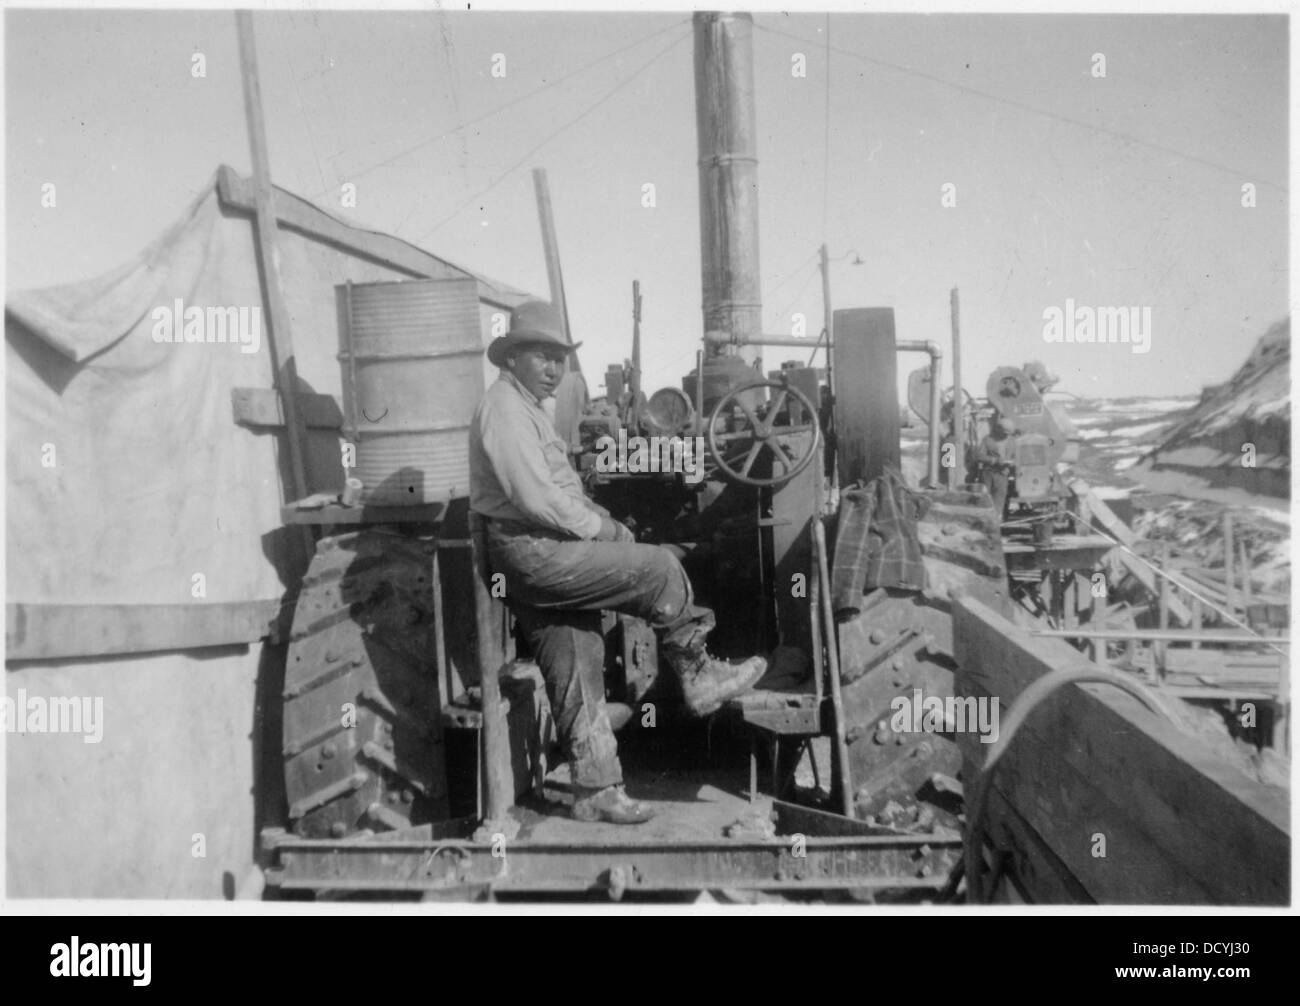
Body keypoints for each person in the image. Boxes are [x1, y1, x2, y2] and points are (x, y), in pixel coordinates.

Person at [468, 300, 767, 825]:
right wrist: (603, 529)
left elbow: (558, 490)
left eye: (560, 357)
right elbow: (536, 498)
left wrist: (600, 516)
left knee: (575, 659)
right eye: (542, 356)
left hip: (538, 551)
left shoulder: (525, 408)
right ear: (510, 359)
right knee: (657, 569)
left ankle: (595, 791)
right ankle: (697, 674)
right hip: (535, 551)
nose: (554, 368)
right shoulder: (505, 410)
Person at [974, 416, 1016, 519]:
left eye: (1008, 434)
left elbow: (1016, 456)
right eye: (1004, 433)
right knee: (985, 499)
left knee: (999, 500)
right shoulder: (988, 440)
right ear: (998, 429)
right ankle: (984, 521)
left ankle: (996, 522)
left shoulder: (1012, 441)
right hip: (988, 473)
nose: (1006, 436)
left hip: (1002, 474)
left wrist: (1012, 463)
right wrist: (995, 460)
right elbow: (979, 456)